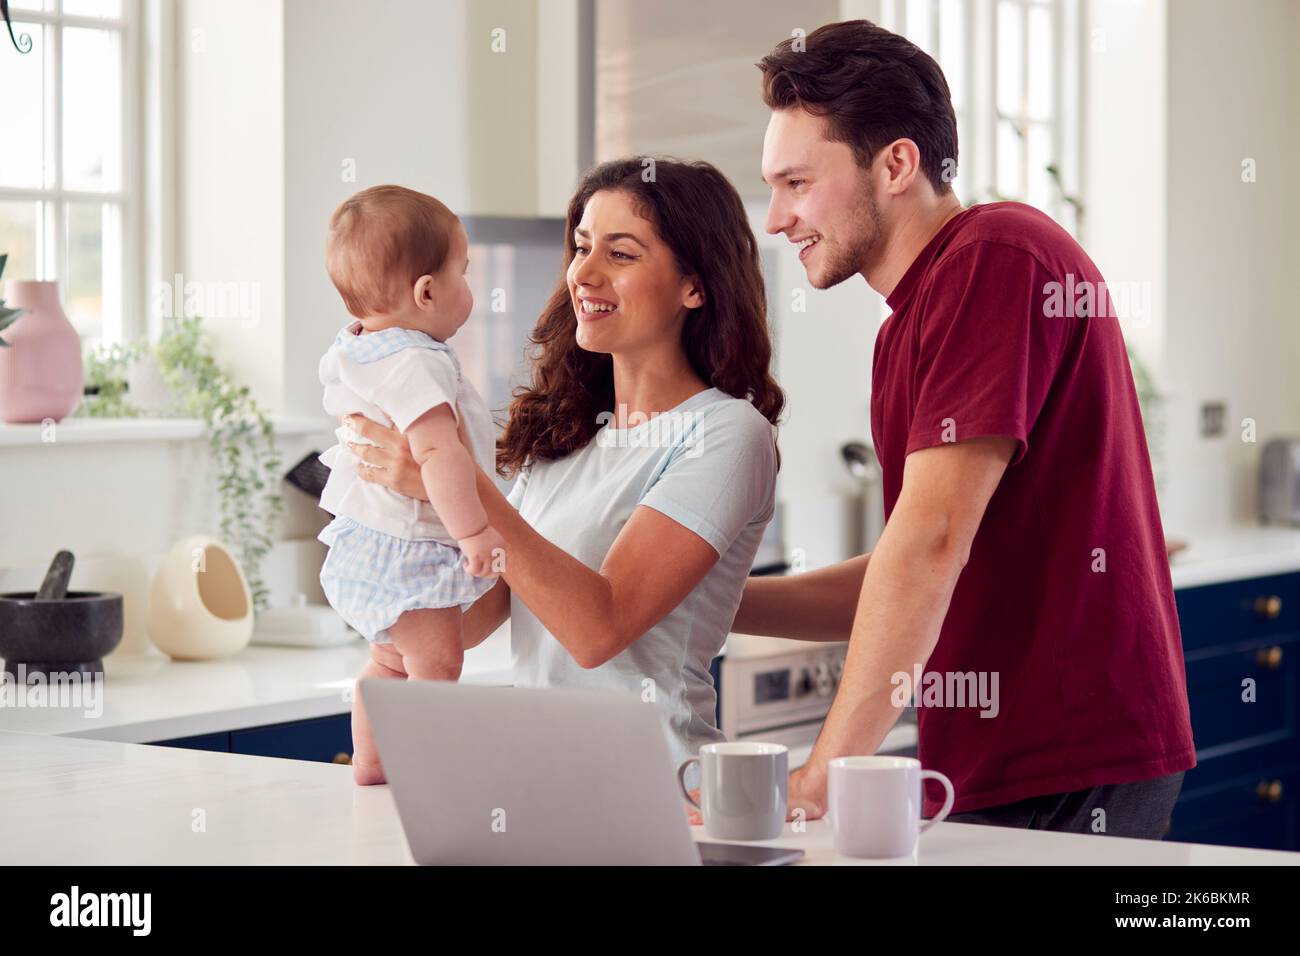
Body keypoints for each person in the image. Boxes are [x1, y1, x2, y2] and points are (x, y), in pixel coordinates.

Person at [737, 19, 1195, 838]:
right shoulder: (909, 321)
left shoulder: (995, 256)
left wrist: (819, 777)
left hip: (1067, 755)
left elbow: (930, 545)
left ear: (896, 164)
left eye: (797, 183)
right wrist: (716, 604)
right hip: (1002, 759)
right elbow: (903, 572)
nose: (777, 219)